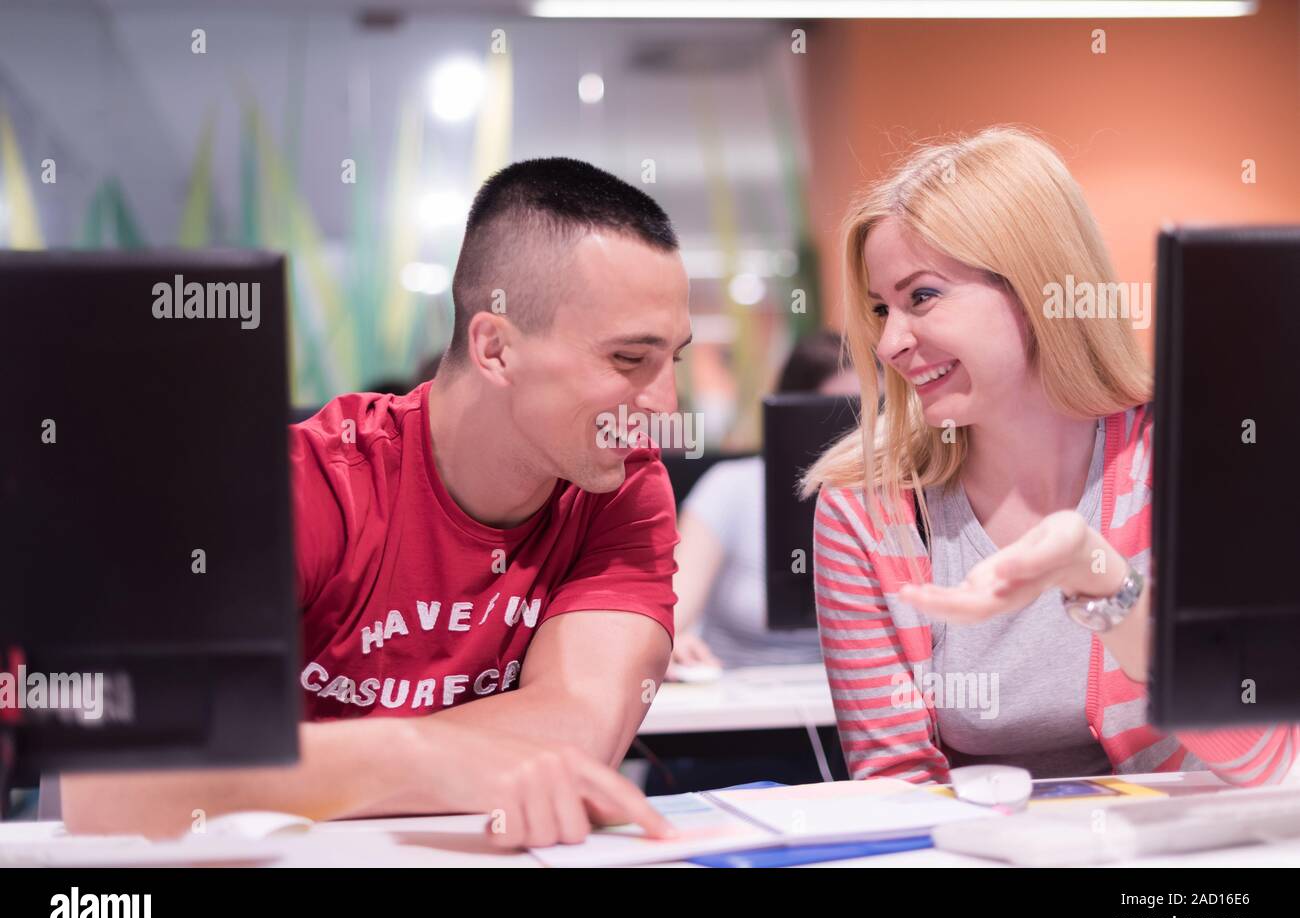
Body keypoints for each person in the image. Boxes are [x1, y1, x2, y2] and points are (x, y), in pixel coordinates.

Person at [60, 158, 695, 847]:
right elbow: (110, 782)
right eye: (630, 360)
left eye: (675, 360)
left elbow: (578, 735)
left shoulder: (622, 486)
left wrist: (306, 764)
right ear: (495, 348)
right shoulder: (307, 481)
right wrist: (411, 757)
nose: (665, 405)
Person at [803, 126, 1297, 786]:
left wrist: (1101, 581)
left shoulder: (1190, 462)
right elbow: (897, 787)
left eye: (922, 296)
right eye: (878, 308)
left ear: (1038, 287)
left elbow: (1262, 759)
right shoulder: (864, 506)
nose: (889, 342)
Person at [670, 330, 857, 673]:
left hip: (857, 699)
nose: (856, 438)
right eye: (835, 419)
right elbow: (672, 617)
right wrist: (671, 644)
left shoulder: (907, 493)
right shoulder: (731, 487)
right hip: (739, 700)